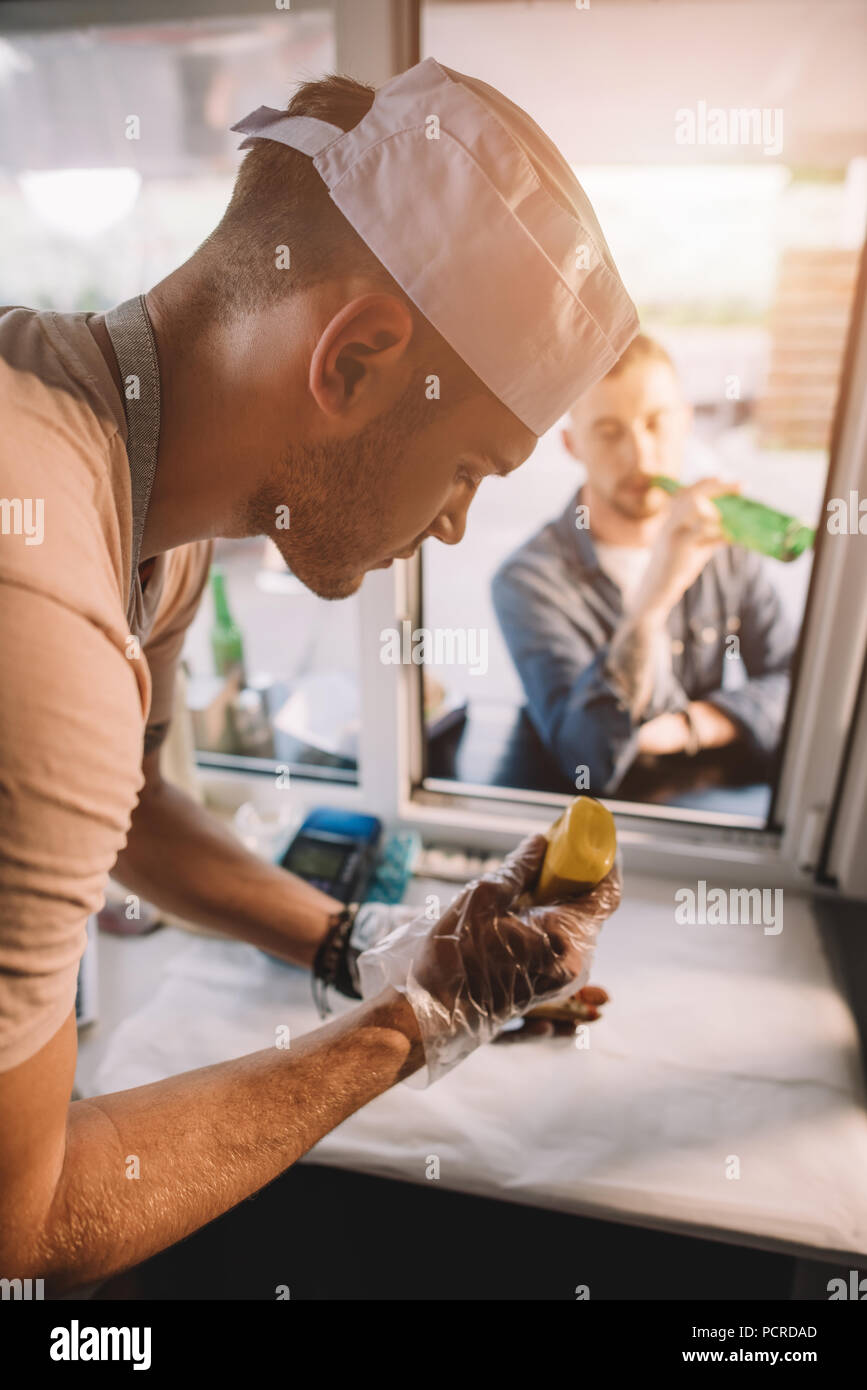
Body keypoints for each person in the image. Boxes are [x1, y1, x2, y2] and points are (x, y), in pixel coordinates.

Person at [0, 58, 634, 1291]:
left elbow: (130, 806)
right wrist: (417, 1021)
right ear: (352, 364)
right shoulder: (44, 613)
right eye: (471, 470)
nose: (455, 528)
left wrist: (375, 943)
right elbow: (25, 1229)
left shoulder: (144, 519)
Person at [492, 334, 796, 793]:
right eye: (610, 432)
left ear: (687, 422)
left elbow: (797, 685)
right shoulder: (527, 582)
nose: (639, 456)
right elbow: (587, 759)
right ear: (572, 445)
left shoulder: (725, 544)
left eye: (656, 423)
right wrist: (654, 598)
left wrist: (687, 727)